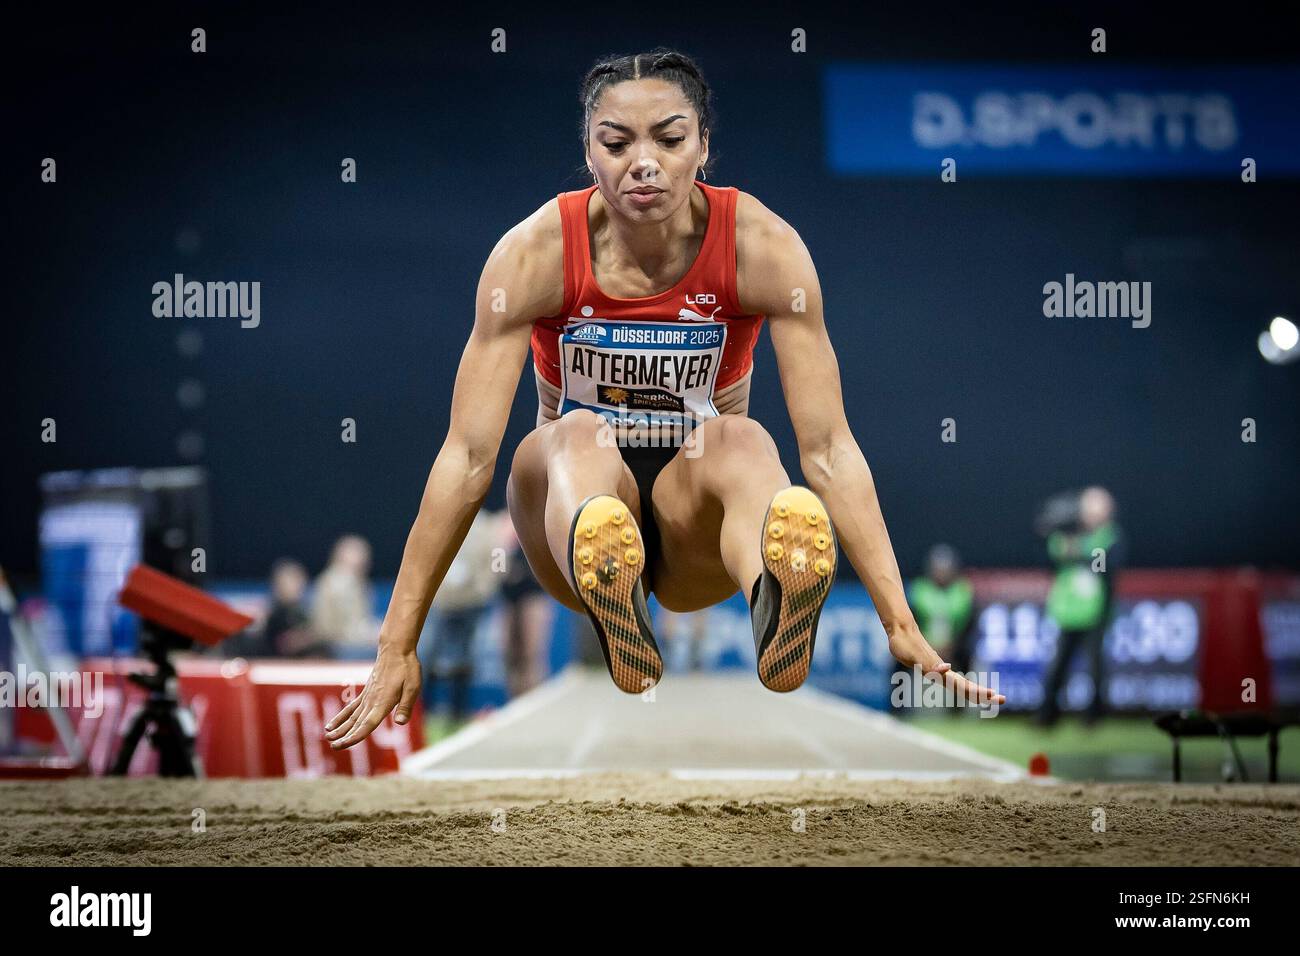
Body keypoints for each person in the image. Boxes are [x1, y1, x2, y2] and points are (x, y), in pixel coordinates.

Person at [327, 48, 1003, 750]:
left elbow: (829, 447)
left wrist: (899, 620)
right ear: (589, 154)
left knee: (744, 440)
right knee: (572, 433)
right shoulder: (532, 256)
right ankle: (613, 583)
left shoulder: (762, 247)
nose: (642, 162)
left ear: (704, 146)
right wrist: (396, 641)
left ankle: (774, 596)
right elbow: (467, 456)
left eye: (670, 139)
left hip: (695, 524)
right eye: (616, 143)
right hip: (571, 518)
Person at [1036, 486, 1125, 727]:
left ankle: (1094, 717)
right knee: (1058, 667)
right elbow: (1053, 552)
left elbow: (1102, 563)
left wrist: (1077, 550)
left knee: (1096, 668)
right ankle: (1047, 715)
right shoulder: (1066, 535)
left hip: (1095, 613)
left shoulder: (1109, 536)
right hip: (1067, 612)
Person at [419, 509, 500, 722]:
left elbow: (499, 558)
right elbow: (423, 552)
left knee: (465, 659)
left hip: (471, 603)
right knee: (426, 656)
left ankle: (458, 712)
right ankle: (420, 711)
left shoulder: (486, 526)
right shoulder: (439, 517)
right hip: (441, 602)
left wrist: (487, 587)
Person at [498, 513, 555, 698]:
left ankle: (534, 699)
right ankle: (514, 700)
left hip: (534, 593)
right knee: (509, 653)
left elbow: (548, 559)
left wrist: (521, 572)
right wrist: (503, 563)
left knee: (532, 653)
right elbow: (495, 565)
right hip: (509, 596)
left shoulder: (539, 520)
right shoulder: (503, 525)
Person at [907, 544, 975, 679]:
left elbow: (969, 625)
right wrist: (925, 644)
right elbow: (911, 620)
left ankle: (965, 694)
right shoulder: (920, 590)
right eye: (938, 569)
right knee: (900, 656)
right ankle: (897, 698)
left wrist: (952, 645)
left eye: (945, 569)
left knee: (967, 654)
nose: (941, 574)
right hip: (924, 642)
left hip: (954, 645)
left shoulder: (962, 591)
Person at [310, 535, 379, 660]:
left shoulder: (360, 583)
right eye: (357, 552)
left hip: (348, 642)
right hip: (337, 645)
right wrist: (370, 635)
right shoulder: (337, 581)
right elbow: (338, 629)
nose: (363, 558)